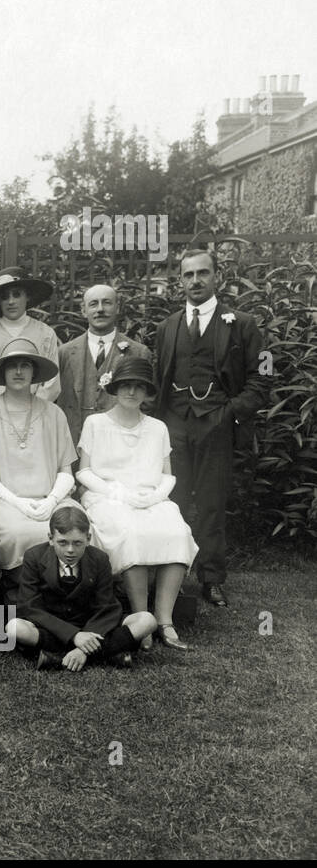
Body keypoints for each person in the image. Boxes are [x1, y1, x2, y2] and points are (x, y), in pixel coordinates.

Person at [153, 249, 269, 608]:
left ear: (217, 275)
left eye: (203, 273)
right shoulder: (167, 326)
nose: (196, 281)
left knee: (211, 503)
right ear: (180, 281)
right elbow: (160, 376)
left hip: (217, 424)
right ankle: (163, 575)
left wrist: (230, 413)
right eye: (188, 275)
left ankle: (211, 579)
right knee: (169, 501)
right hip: (174, 423)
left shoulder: (243, 323)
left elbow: (262, 379)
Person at [76, 358, 198, 652]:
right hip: (107, 496)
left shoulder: (157, 428)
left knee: (177, 532)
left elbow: (167, 476)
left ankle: (165, 619)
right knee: (131, 533)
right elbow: (83, 472)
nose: (132, 392)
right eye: (126, 385)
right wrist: (118, 493)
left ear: (147, 393)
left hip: (150, 497)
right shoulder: (96, 423)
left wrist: (153, 497)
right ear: (114, 388)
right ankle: (140, 618)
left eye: (139, 387)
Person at [0, 339, 78, 588]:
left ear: (35, 372)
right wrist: (17, 502)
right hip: (4, 502)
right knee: (18, 533)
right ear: (2, 373)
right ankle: (19, 599)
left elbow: (66, 471)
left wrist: (51, 501)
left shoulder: (54, 414)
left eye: (25, 365)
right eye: (11, 366)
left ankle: (65, 600)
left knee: (73, 528)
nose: (18, 372)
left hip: (53, 498)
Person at [6, 507, 157, 671]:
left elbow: (106, 607)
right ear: (51, 539)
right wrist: (74, 635)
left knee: (147, 620)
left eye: (77, 543)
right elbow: (29, 607)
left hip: (93, 626)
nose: (70, 550)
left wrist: (83, 647)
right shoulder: (34, 556)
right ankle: (109, 654)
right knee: (14, 628)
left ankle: (59, 658)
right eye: (62, 542)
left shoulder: (99, 559)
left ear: (88, 538)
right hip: (53, 628)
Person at [57, 283, 152, 445]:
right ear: (83, 310)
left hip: (121, 443)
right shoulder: (64, 353)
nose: (100, 309)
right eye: (93, 304)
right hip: (73, 442)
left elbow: (147, 404)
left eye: (107, 302)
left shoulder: (139, 352)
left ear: (117, 307)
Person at [0, 266, 61, 410]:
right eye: (5, 296)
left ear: (27, 296)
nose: (11, 301)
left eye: (16, 294)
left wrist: (31, 410)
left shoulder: (45, 334)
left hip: (35, 414)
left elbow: (51, 383)